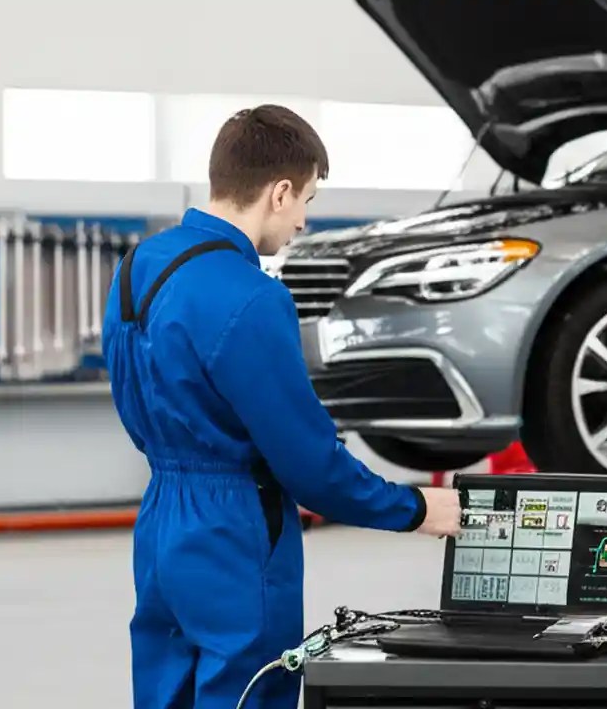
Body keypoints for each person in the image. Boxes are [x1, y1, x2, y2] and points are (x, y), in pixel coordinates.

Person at [102, 104, 463, 709]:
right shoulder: (254, 297)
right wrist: (415, 507)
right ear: (280, 192)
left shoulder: (136, 269)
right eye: (306, 202)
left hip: (162, 518)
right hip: (237, 529)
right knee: (249, 693)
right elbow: (311, 465)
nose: (302, 222)